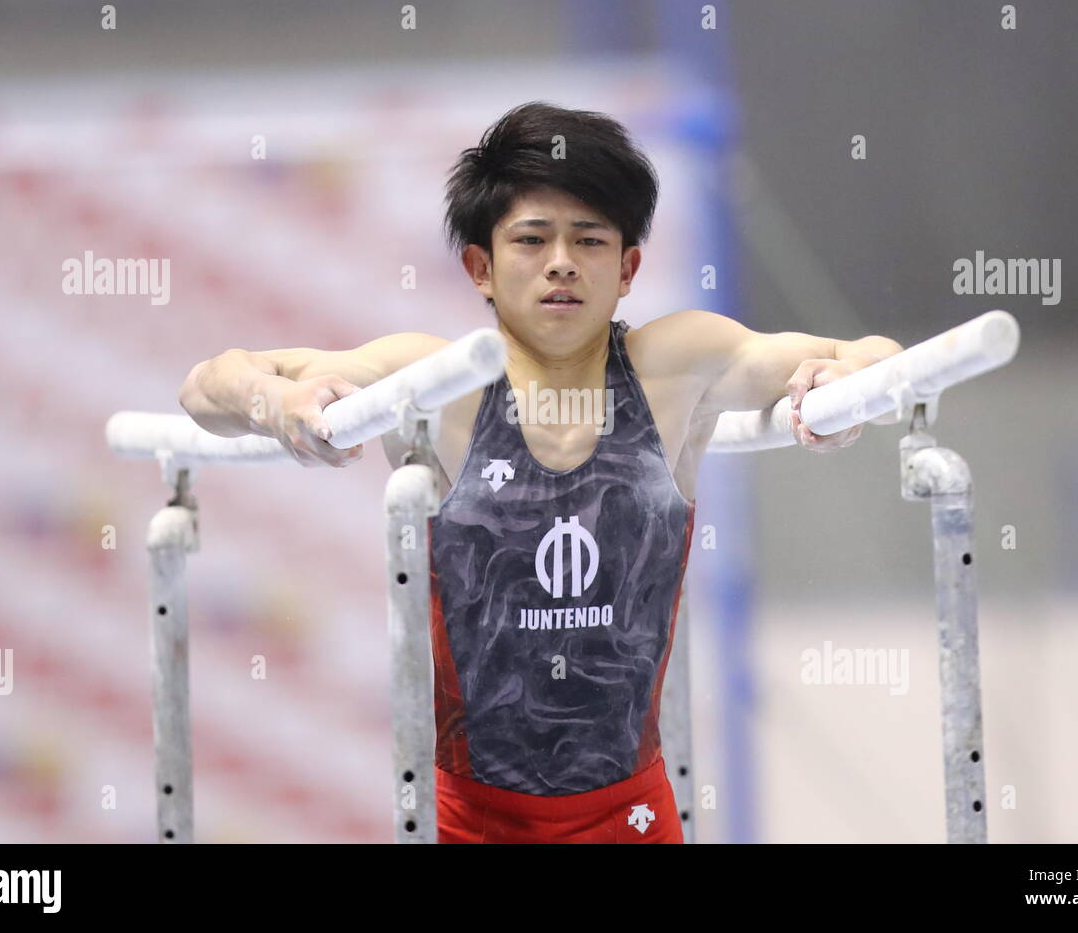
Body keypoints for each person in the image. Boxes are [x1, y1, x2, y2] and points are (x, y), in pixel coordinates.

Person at [178, 101, 903, 843]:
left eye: (588, 240)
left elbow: (881, 360)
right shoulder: (438, 383)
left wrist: (839, 388)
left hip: (631, 816)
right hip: (469, 821)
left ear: (627, 269)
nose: (561, 261)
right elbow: (208, 384)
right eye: (532, 239)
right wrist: (278, 400)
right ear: (480, 267)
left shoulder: (677, 366)